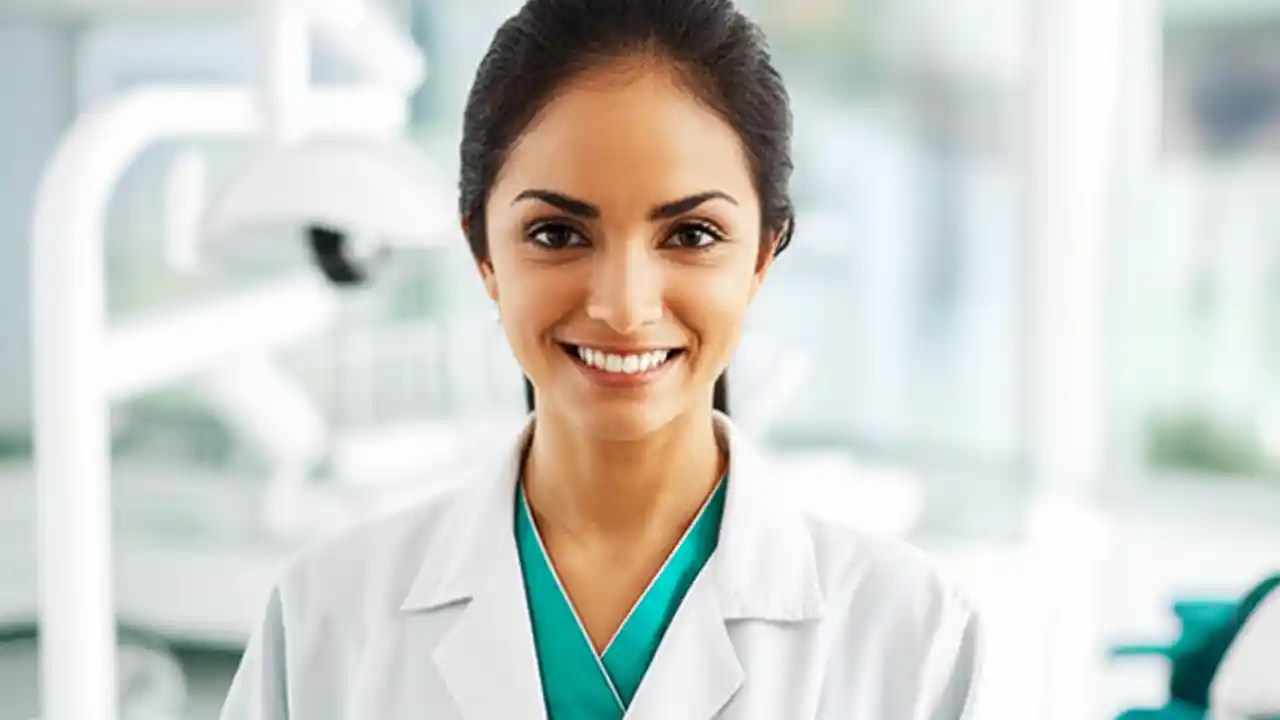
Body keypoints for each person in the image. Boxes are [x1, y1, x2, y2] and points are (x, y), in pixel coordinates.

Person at [219, 1, 982, 717]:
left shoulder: (912, 640)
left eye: (690, 236)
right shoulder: (326, 623)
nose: (624, 306)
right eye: (556, 234)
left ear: (763, 254)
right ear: (483, 252)